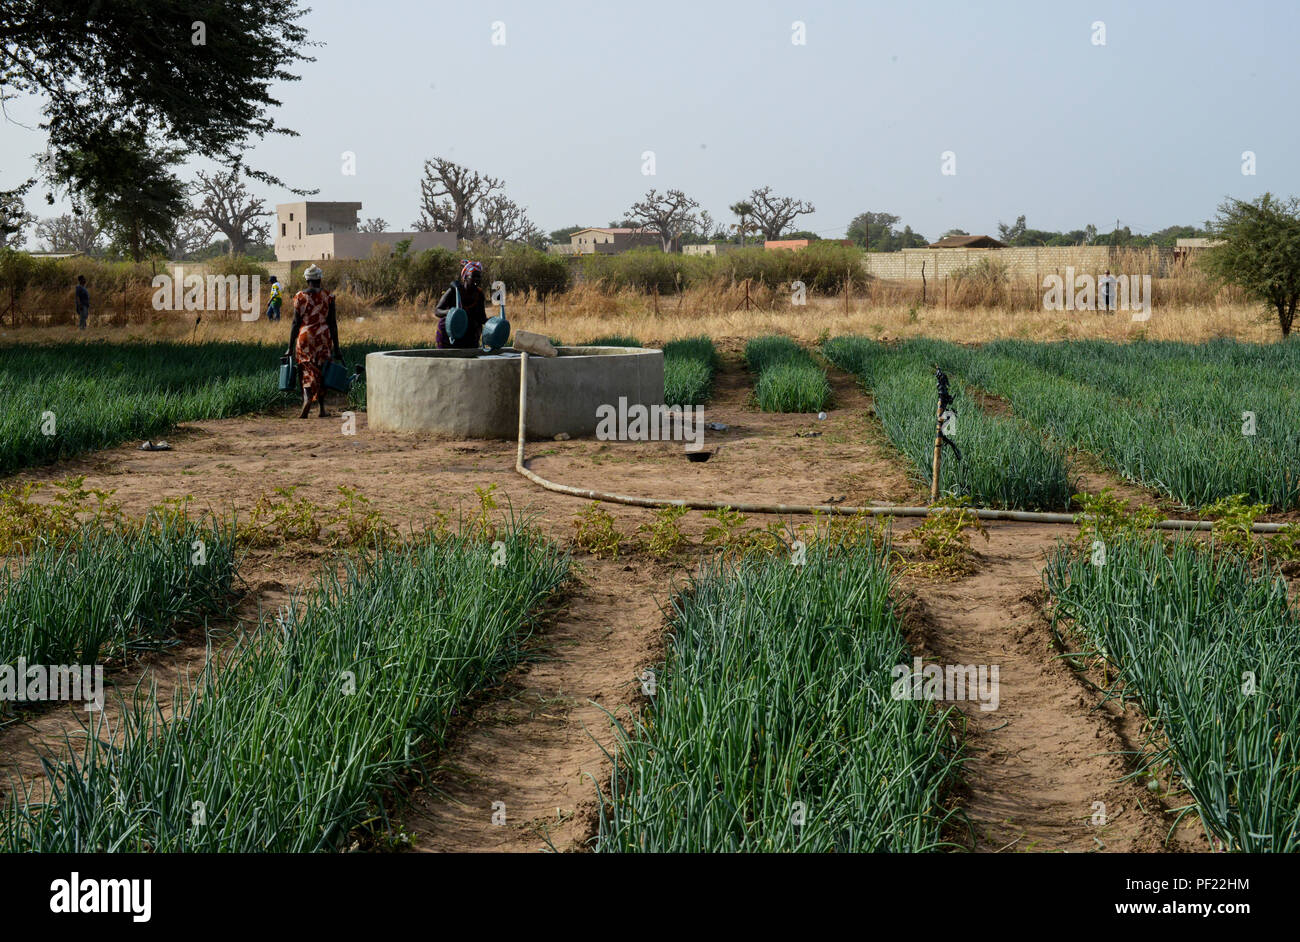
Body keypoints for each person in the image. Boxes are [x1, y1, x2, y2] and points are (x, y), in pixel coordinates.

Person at [286, 264, 340, 418]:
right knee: (323, 370)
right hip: (323, 337)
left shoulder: (300, 297)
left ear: (307, 279)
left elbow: (295, 323)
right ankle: (322, 408)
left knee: (306, 369)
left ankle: (307, 397)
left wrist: (290, 347)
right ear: (320, 278)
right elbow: (333, 324)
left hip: (305, 337)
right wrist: (337, 348)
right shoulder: (328, 297)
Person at [434, 260, 487, 349]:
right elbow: (437, 311)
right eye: (473, 277)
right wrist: (452, 312)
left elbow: (481, 317)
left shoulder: (479, 294)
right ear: (465, 277)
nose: (477, 280)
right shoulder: (454, 290)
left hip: (470, 336)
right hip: (450, 334)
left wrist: (493, 322)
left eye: (479, 277)